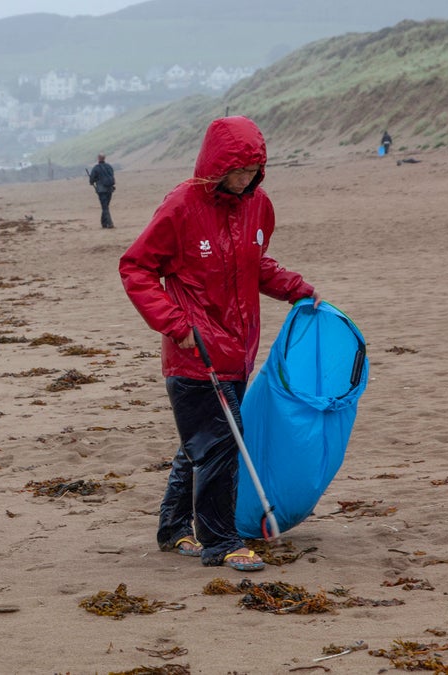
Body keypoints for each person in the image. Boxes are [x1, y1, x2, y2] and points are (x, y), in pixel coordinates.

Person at [119, 116, 321, 572]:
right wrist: (174, 322)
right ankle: (221, 541)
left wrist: (295, 288)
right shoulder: (181, 206)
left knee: (203, 443)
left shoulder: (258, 206)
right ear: (218, 165)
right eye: (240, 170)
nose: (247, 178)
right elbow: (135, 267)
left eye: (255, 170)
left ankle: (173, 529)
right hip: (194, 356)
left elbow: (255, 263)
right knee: (219, 445)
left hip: (238, 352)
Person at [89, 154, 115, 228]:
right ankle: (103, 223)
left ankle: (110, 223)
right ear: (104, 158)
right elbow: (112, 176)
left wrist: (92, 182)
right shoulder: (109, 167)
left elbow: (91, 180)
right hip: (110, 189)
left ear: (98, 158)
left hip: (101, 190)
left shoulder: (96, 168)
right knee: (105, 206)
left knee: (105, 207)